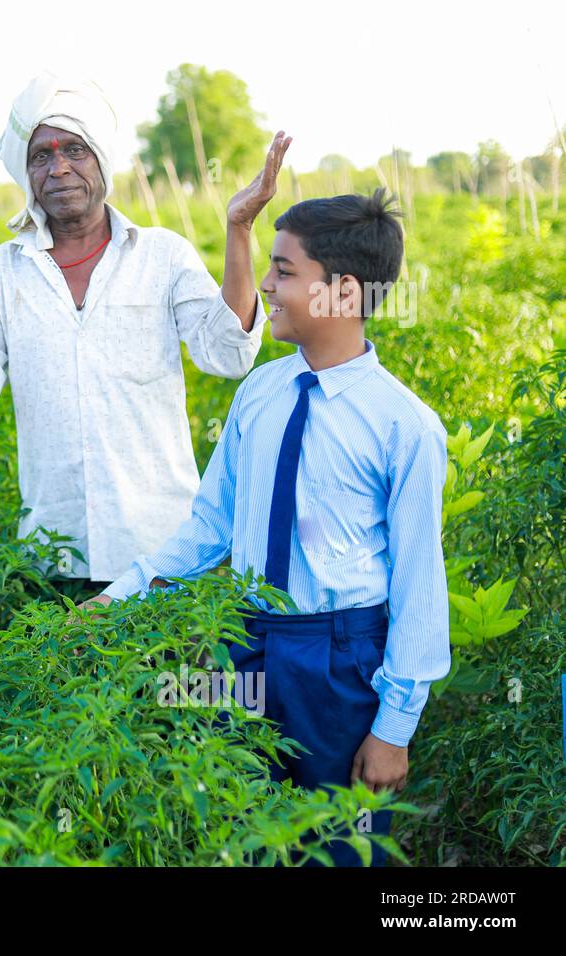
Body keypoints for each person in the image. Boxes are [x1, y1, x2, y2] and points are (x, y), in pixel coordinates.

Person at [86, 189, 452, 866]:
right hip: (246, 643)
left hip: (342, 661)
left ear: (343, 291)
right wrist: (125, 593)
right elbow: (210, 526)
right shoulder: (260, 392)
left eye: (284, 270)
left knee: (341, 844)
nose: (266, 286)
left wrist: (394, 727)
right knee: (242, 834)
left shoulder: (404, 426)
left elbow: (420, 586)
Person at [0, 71, 286, 600]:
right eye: (41, 156)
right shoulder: (2, 271)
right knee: (67, 680)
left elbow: (227, 352)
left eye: (74, 150)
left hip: (163, 549)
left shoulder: (161, 254)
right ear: (27, 173)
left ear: (100, 157)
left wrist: (238, 229)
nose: (58, 168)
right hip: (55, 558)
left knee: (168, 681)